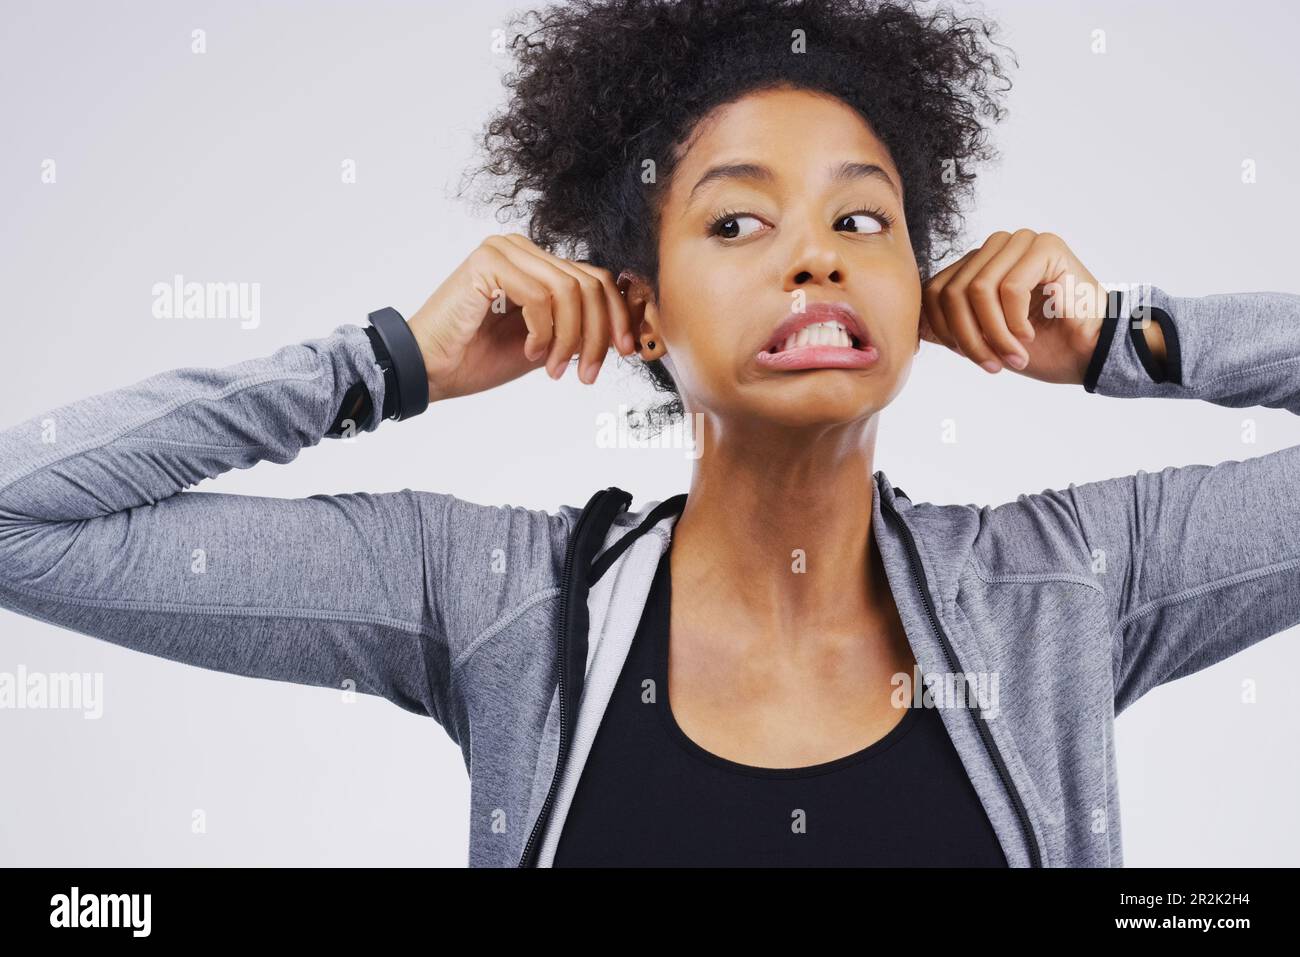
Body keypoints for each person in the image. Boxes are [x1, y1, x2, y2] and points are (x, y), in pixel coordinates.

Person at [3, 0, 1298, 867]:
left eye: (863, 223)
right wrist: (387, 362)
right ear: (639, 309)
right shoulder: (502, 605)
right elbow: (21, 518)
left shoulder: (1071, 585)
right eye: (737, 223)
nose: (814, 260)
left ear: (921, 291)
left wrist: (1135, 336)